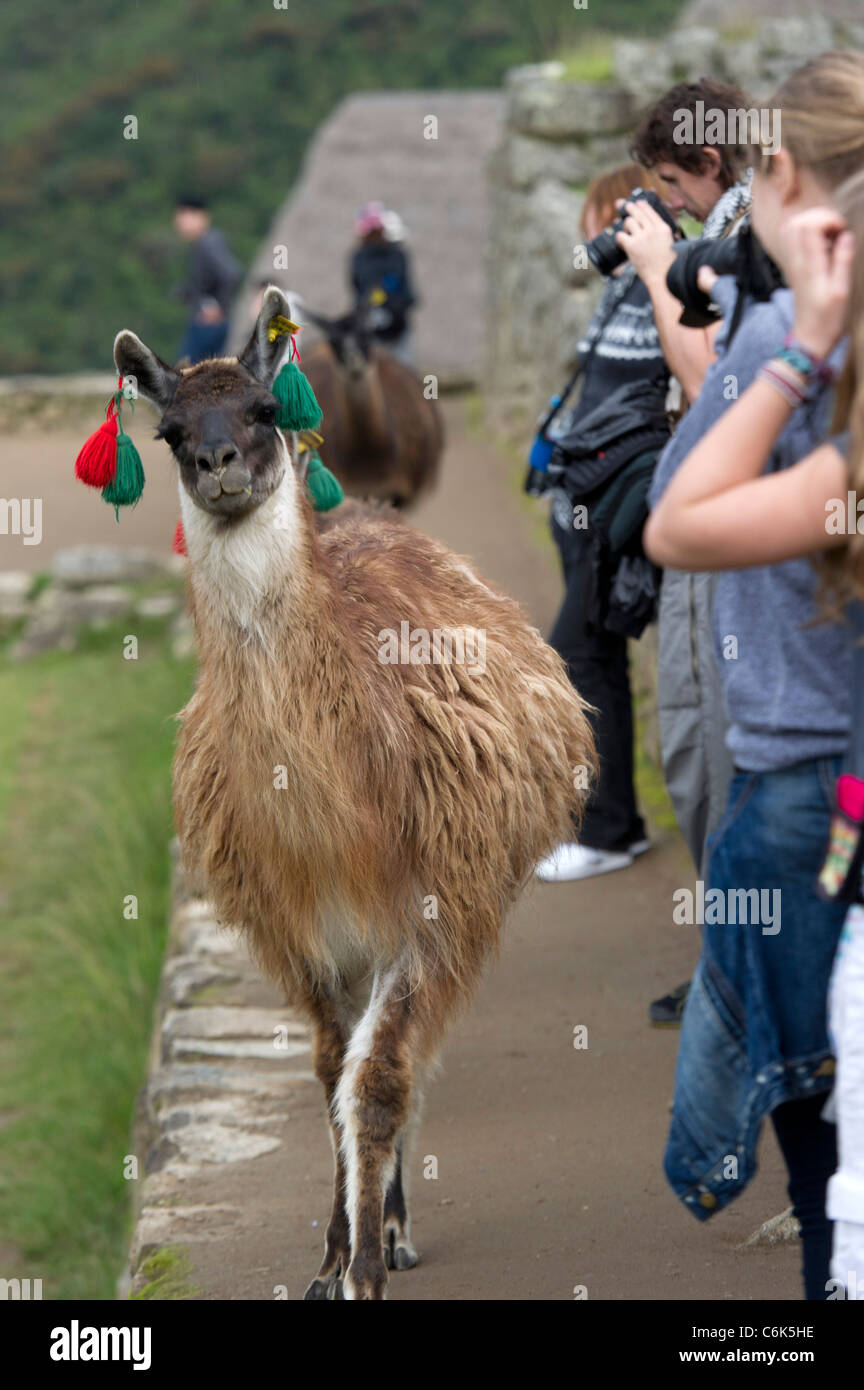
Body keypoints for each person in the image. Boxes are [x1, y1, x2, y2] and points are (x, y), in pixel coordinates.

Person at [644, 50, 864, 1300]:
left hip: (795, 797)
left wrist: (784, 348)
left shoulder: (791, 335)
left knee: (822, 1133)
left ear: (777, 173)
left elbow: (676, 515)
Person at [619, 80, 757, 1024]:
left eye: (673, 180)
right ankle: (726, 956)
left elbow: (715, 378)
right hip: (700, 525)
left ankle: (743, 974)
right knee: (686, 737)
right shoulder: (725, 232)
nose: (669, 200)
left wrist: (659, 269)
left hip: (737, 534)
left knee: (719, 746)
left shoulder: (754, 241)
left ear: (711, 163)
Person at [533, 165, 671, 882]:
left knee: (578, 656)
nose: (595, 239)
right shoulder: (620, 288)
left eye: (606, 221)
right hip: (580, 502)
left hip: (614, 505)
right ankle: (615, 822)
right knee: (595, 660)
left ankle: (609, 827)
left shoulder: (659, 280)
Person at [173, 195, 243, 364]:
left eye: (183, 217)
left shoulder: (209, 242)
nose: (178, 224)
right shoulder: (203, 243)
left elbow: (231, 274)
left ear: (200, 217)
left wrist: (216, 306)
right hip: (208, 322)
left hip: (208, 324)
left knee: (185, 370)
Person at [350, 202, 417, 367]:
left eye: (377, 232)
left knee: (403, 375)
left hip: (398, 332)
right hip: (370, 336)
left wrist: (392, 308)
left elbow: (407, 292)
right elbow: (358, 290)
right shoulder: (358, 259)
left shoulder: (398, 256)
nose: (374, 237)